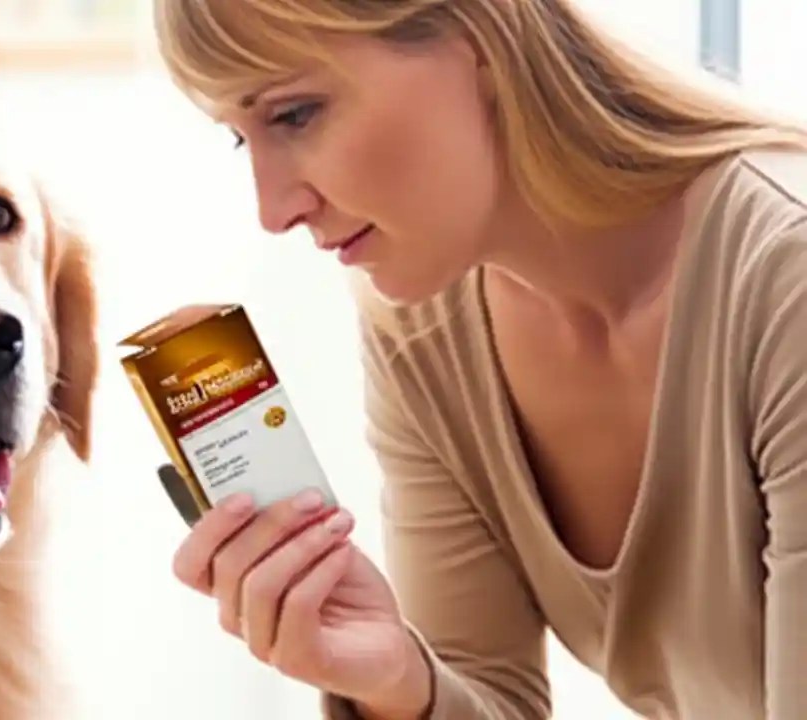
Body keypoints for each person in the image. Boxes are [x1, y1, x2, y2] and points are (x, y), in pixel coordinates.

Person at [148, 0, 807, 718]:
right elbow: (497, 700)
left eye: (295, 114)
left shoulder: (786, 282)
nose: (273, 211)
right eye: (243, 141)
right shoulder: (423, 332)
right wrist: (399, 681)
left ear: (480, 37)